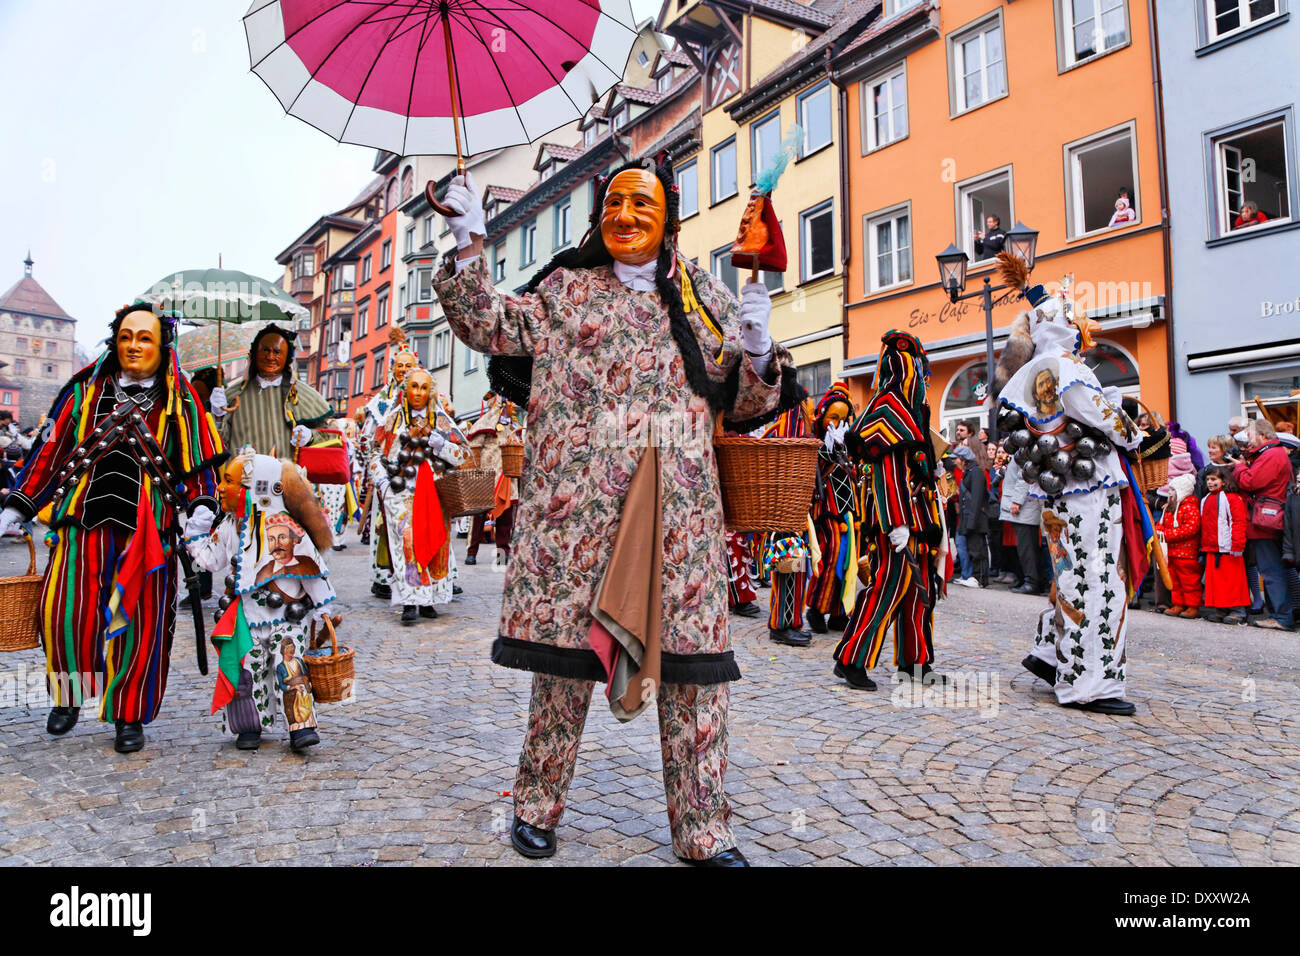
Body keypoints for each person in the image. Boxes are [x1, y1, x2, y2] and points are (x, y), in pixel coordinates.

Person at [433, 157, 803, 867]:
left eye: (644, 205)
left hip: (680, 516)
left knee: (695, 675)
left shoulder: (705, 298)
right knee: (564, 670)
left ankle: (703, 830)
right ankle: (536, 805)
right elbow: (487, 325)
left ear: (669, 220)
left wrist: (757, 349)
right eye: (615, 204)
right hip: (580, 516)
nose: (626, 216)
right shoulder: (567, 290)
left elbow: (749, 406)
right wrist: (469, 244)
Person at [0, 303, 224, 752]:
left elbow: (197, 461)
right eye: (126, 336)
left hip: (149, 527)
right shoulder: (84, 389)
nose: (134, 346)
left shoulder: (180, 398)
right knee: (66, 613)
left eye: (144, 337)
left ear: (163, 345)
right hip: (80, 518)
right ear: (114, 341)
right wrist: (20, 505)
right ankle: (70, 695)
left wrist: (202, 505)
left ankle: (129, 715)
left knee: (139, 622)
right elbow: (53, 450)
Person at [993, 254, 1145, 716]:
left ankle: (1050, 654)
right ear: (1068, 327)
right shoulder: (1065, 369)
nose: (1085, 331)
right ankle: (1088, 683)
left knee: (1070, 576)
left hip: (1059, 493)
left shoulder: (1036, 369)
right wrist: (1135, 430)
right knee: (1097, 582)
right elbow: (1112, 423)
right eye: (1080, 324)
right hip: (1089, 490)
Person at [185, 450, 337, 751]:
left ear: (258, 488)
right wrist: (198, 531)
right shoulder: (231, 525)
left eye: (230, 482)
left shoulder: (288, 528)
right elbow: (211, 560)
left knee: (290, 668)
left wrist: (324, 607)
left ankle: (301, 725)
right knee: (248, 670)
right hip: (245, 616)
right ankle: (249, 726)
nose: (220, 488)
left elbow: (312, 567)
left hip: (286, 615)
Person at [832, 331, 945, 691]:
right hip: (897, 519)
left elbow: (916, 465)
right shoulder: (890, 408)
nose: (924, 382)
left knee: (919, 590)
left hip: (919, 518)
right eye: (919, 373)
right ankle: (851, 658)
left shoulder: (910, 409)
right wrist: (897, 522)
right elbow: (887, 473)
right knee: (887, 587)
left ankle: (915, 661)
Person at [369, 367, 465, 625]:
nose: (419, 392)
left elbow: (463, 455)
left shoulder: (442, 421)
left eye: (424, 387)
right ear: (406, 390)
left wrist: (441, 445)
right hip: (400, 492)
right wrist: (383, 483)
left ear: (430, 391)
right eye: (414, 386)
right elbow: (374, 454)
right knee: (406, 545)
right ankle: (410, 600)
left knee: (434, 542)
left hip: (434, 492)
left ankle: (430, 598)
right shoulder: (392, 421)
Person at [209, 325, 331, 458]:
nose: (270, 357)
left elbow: (330, 437)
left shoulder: (304, 394)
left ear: (287, 357)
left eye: (277, 352)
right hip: (240, 475)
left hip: (287, 476)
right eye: (265, 350)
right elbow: (218, 445)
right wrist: (218, 416)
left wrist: (310, 437)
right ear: (255, 354)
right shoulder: (232, 395)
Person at [805, 382, 859, 635]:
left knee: (848, 560)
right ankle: (816, 608)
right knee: (830, 553)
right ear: (823, 415)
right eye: (832, 417)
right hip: (825, 506)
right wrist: (831, 449)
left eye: (842, 417)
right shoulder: (815, 440)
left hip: (847, 507)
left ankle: (839, 612)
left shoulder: (848, 439)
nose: (837, 422)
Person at [762, 404, 816, 647]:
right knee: (789, 570)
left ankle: (790, 622)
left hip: (792, 516)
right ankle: (782, 625)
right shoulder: (783, 434)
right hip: (783, 517)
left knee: (797, 569)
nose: (812, 417)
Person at [1233, 417, 1294, 630]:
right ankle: (1280, 614)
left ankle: (1282, 617)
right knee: (1274, 569)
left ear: (1262, 435)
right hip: (1270, 518)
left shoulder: (1271, 455)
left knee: (1271, 570)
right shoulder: (1274, 453)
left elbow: (1251, 482)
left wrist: (1240, 468)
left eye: (1250, 436)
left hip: (1265, 521)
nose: (1248, 441)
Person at [464, 393, 523, 566]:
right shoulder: (486, 421)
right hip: (487, 477)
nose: (514, 405)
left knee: (505, 519)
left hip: (507, 476)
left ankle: (502, 554)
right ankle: (471, 552)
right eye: (510, 401)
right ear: (502, 403)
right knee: (478, 516)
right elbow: (474, 444)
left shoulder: (513, 424)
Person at [1201, 466, 1249, 625]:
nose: (1210, 482)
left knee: (1232, 580)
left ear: (1224, 481)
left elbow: (1238, 521)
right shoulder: (1206, 498)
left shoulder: (1232, 498)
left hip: (1229, 548)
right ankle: (1221, 608)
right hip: (1212, 547)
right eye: (1208, 479)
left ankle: (1238, 610)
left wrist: (1237, 544)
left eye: (1214, 479)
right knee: (1217, 581)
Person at [1159, 474, 1202, 619]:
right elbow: (1162, 524)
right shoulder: (1170, 508)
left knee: (1189, 581)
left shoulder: (1190, 507)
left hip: (1186, 552)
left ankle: (1193, 606)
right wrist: (1158, 530)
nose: (1169, 492)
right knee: (1175, 580)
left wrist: (1166, 534)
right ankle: (1178, 603)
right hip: (1171, 551)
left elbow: (1191, 528)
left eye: (1173, 489)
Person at [955, 441, 990, 588]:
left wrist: (971, 521)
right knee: (973, 548)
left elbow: (976, 499)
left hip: (975, 518)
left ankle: (980, 578)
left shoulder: (975, 473)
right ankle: (976, 576)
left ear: (963, 459)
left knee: (978, 550)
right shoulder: (970, 472)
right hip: (969, 517)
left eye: (956, 458)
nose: (954, 461)